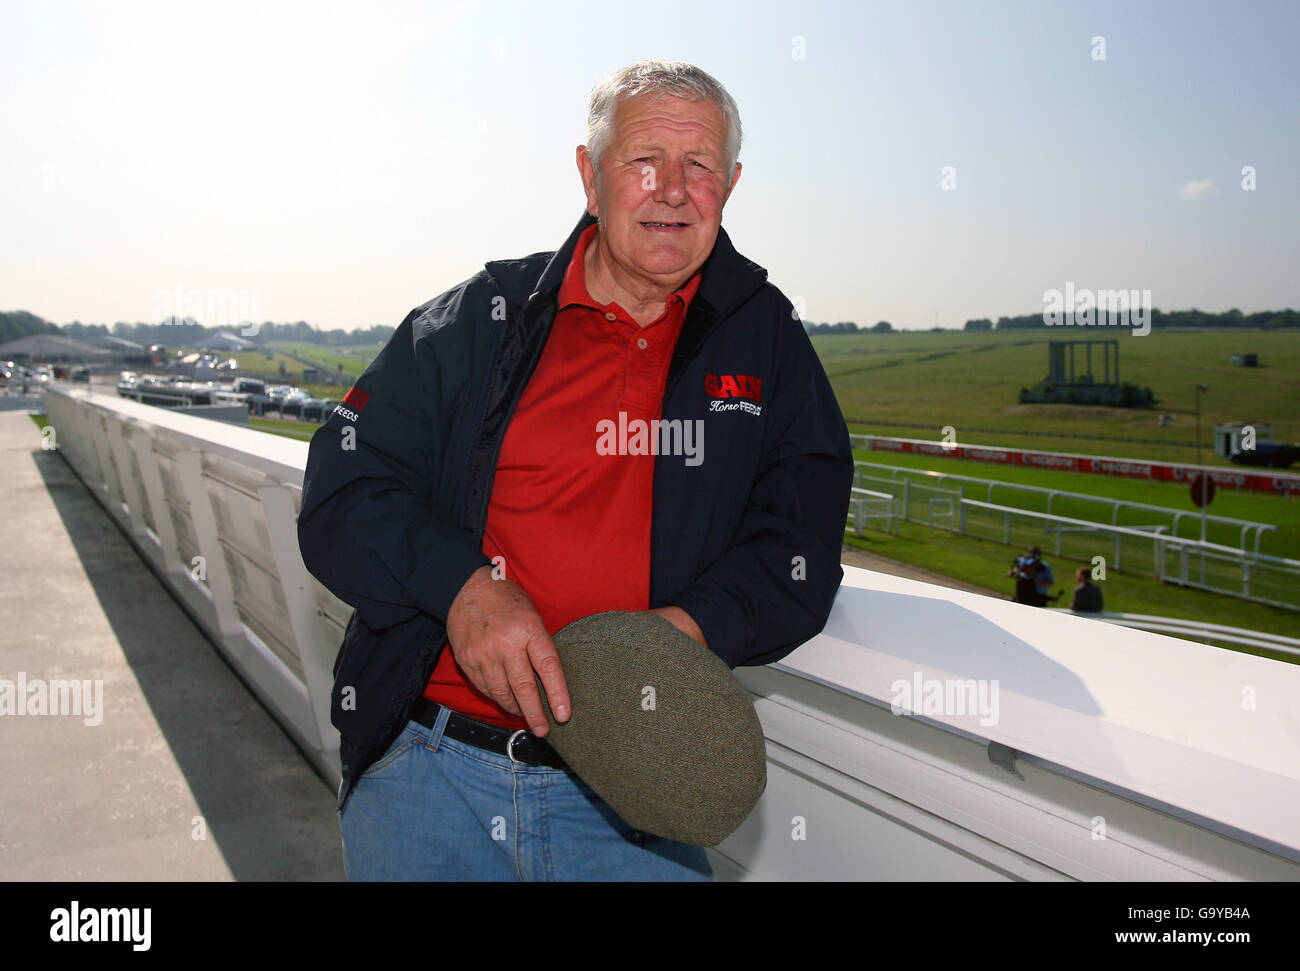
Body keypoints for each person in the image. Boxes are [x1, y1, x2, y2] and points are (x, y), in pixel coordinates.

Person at [297, 59, 854, 882]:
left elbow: (799, 547)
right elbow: (343, 488)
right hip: (427, 780)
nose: (671, 188)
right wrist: (462, 588)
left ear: (729, 185)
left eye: (698, 163)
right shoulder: (481, 318)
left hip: (636, 799)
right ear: (590, 176)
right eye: (642, 160)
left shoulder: (766, 339)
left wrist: (686, 633)